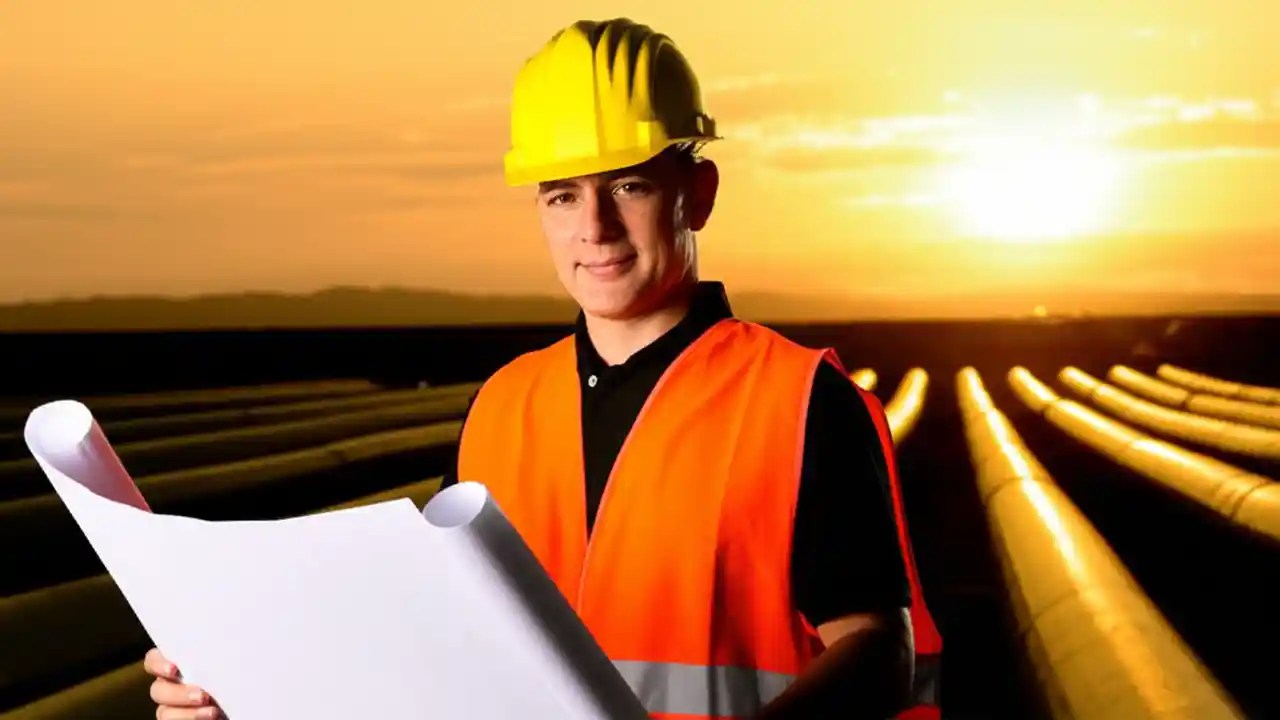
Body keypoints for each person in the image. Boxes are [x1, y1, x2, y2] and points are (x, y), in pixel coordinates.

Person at [144, 17, 942, 719]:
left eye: (627, 186)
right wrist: (245, 694)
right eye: (561, 195)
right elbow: (453, 660)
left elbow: (877, 652)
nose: (594, 227)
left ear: (695, 194)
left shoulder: (799, 401)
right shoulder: (502, 406)